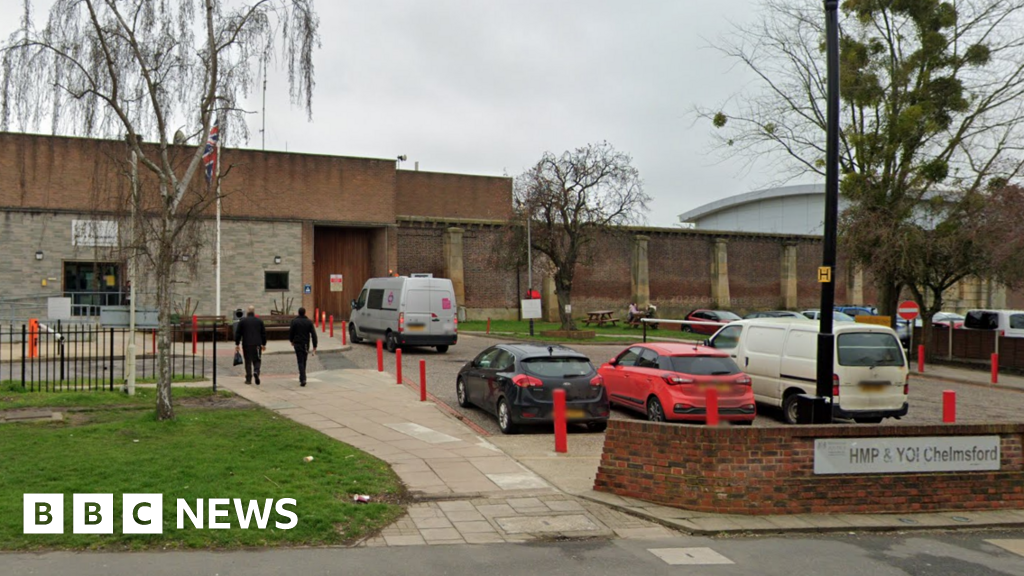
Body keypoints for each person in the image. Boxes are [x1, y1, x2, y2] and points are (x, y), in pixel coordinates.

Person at [234, 306, 267, 385]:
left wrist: (237, 343)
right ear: (254, 311)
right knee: (257, 359)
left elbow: (238, 333)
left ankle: (248, 378)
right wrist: (264, 343)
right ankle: (256, 371)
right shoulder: (259, 321)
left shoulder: (243, 321)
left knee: (248, 361)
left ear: (247, 312)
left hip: (246, 344)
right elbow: (263, 333)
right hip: (257, 344)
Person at [289, 307, 318, 386]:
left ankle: (302, 378)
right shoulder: (308, 322)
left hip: (297, 343)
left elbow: (291, 332)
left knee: (300, 361)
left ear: (298, 313)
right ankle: (302, 377)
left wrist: (291, 340)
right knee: (304, 360)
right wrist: (315, 345)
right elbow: (313, 334)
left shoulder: (294, 322)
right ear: (305, 313)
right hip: (305, 344)